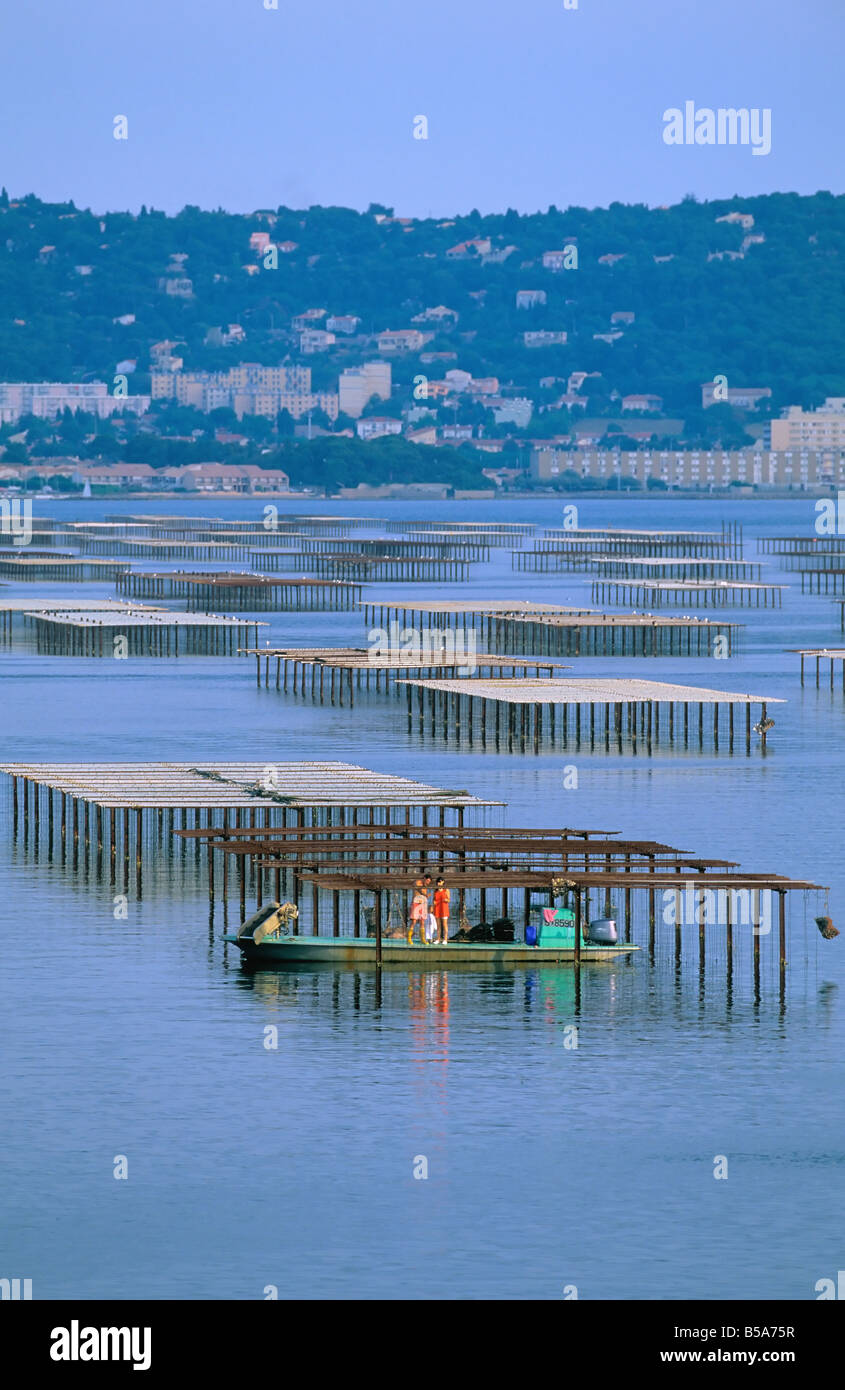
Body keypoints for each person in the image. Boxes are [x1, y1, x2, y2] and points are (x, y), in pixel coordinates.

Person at [433, 877, 451, 944]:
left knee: (445, 925)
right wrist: (434, 902)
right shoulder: (435, 890)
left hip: (444, 908)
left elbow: (449, 899)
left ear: (443, 882)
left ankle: (445, 939)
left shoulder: (446, 890)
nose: (439, 883)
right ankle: (438, 939)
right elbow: (434, 899)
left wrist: (446, 900)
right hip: (437, 908)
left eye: (440, 881)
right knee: (438, 925)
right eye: (438, 881)